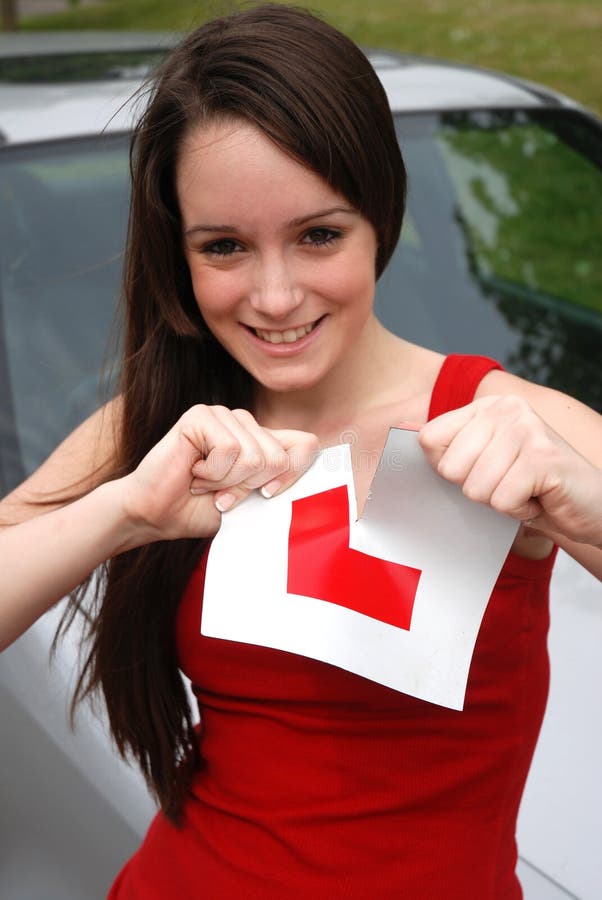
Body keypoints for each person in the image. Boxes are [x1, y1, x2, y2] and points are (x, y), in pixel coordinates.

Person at [1, 4, 601, 898]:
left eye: (318, 235)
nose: (276, 297)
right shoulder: (167, 425)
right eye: (225, 247)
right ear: (180, 254)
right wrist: (124, 511)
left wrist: (589, 508)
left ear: (380, 217)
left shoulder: (514, 428)